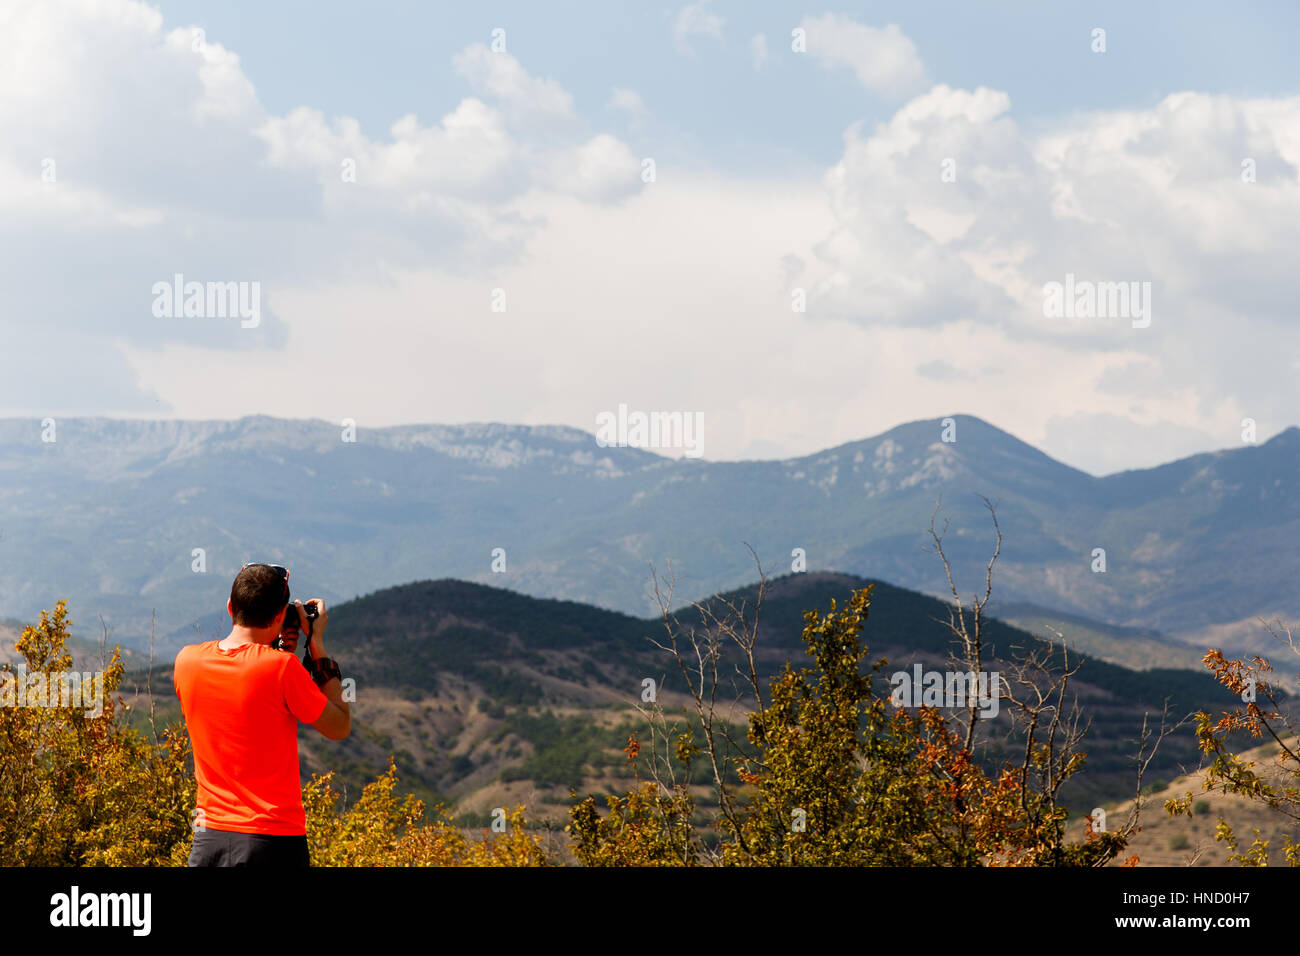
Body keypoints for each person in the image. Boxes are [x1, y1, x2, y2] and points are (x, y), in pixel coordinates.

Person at [173, 563, 351, 866]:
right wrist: (317, 647)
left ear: (231, 607)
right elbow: (340, 725)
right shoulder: (282, 669)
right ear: (281, 616)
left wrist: (275, 649)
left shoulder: (187, 661)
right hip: (272, 841)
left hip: (209, 840)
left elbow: (244, 682)